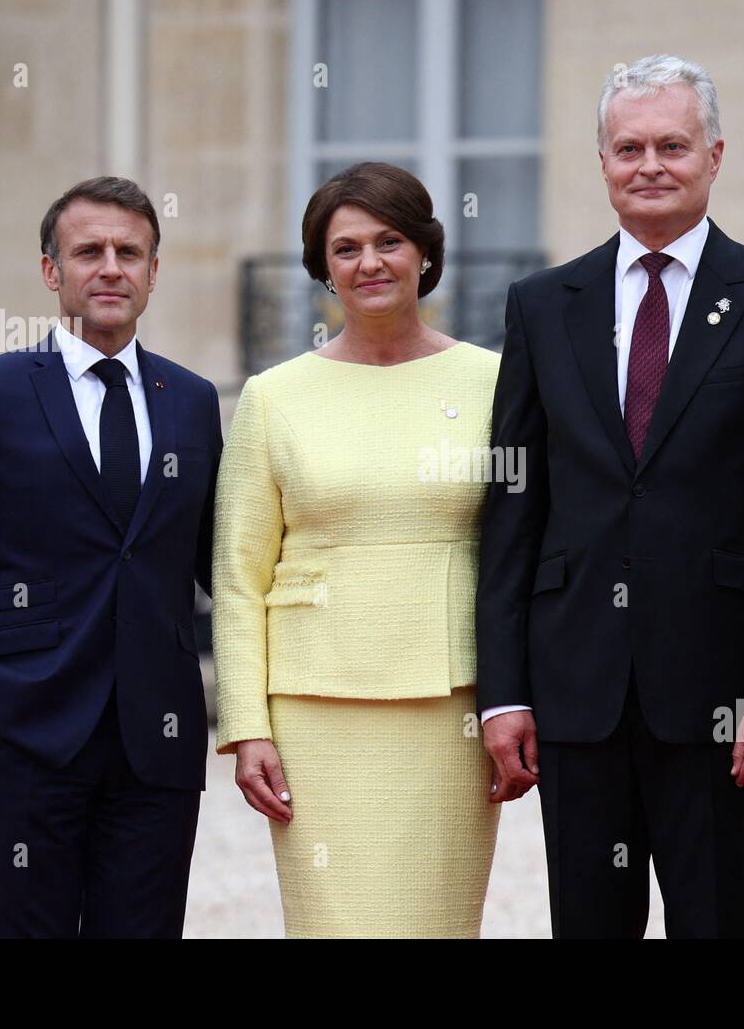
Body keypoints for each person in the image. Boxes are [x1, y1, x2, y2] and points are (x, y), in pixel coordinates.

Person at [475, 54, 744, 938]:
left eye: (671, 145)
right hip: (576, 694)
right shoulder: (540, 305)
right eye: (628, 147)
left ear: (714, 155)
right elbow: (512, 507)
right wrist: (503, 692)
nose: (650, 165)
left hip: (723, 700)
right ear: (600, 161)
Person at [0, 177, 222, 938]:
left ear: (152, 272)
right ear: (52, 272)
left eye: (129, 252)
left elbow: (217, 562)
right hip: (22, 735)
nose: (111, 267)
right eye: (89, 251)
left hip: (158, 742)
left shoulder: (191, 399)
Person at [212, 162, 502, 937]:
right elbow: (238, 577)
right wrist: (247, 726)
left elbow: (519, 554)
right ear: (323, 268)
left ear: (424, 254)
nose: (370, 262)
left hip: (451, 710)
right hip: (313, 712)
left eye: (390, 240)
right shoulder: (272, 397)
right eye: (346, 249)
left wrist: (518, 701)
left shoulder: (494, 383)